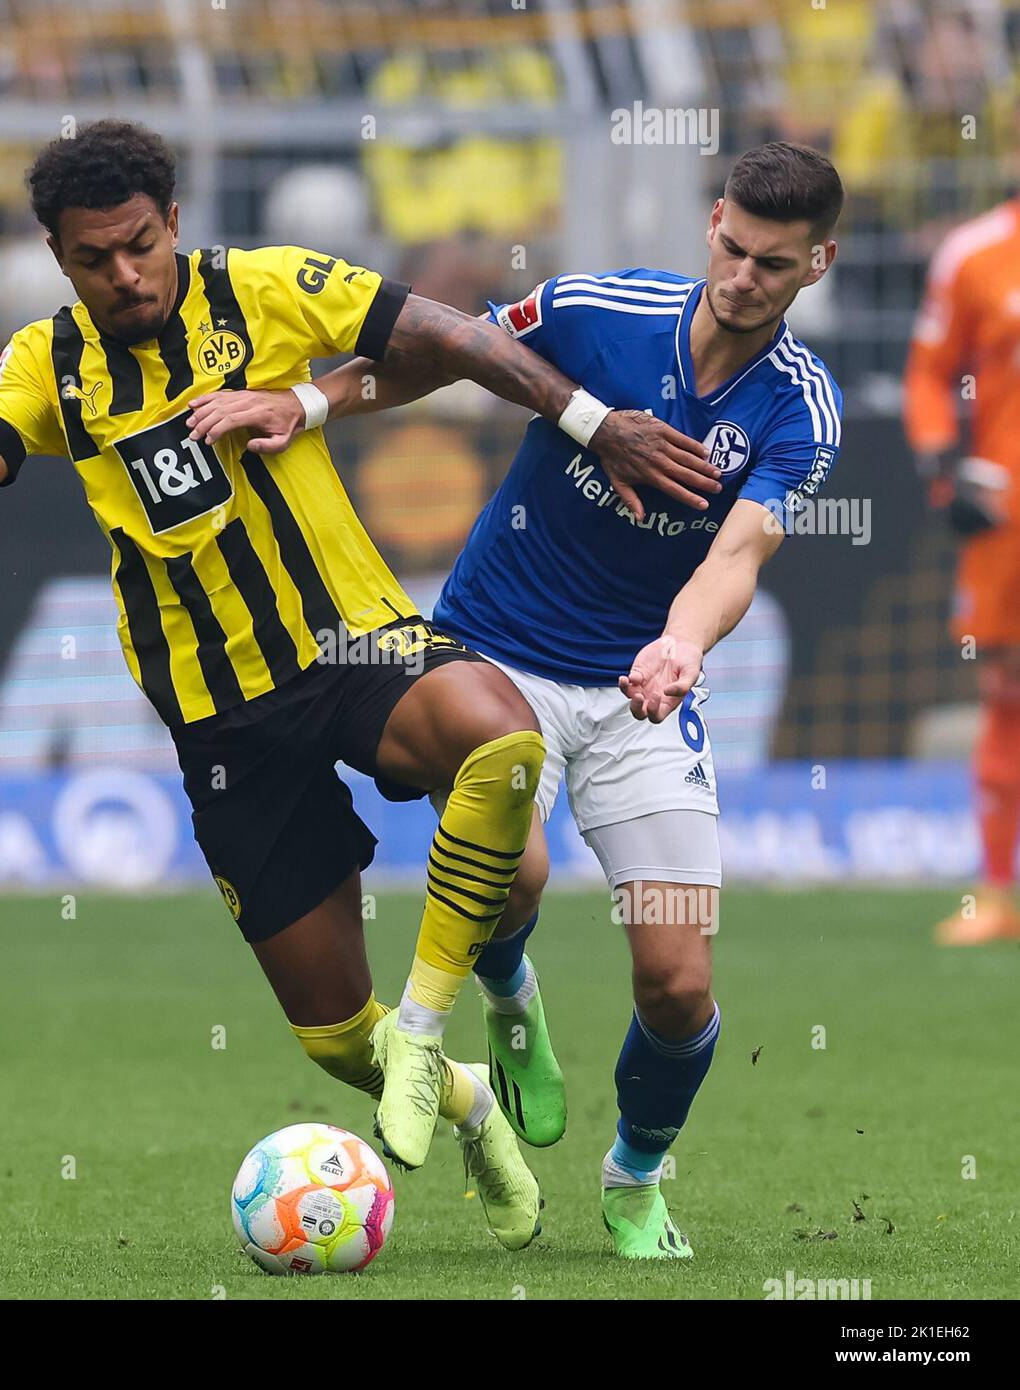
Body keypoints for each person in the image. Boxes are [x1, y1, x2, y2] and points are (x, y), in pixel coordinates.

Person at [0, 119, 714, 1250]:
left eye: (139, 244)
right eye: (93, 258)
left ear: (173, 222)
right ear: (57, 255)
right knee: (337, 1037)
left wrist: (582, 422)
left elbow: (447, 340)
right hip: (218, 710)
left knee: (497, 745)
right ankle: (469, 1102)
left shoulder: (264, 290)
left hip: (349, 644)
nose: (123, 273)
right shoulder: (48, 362)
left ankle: (451, 1022)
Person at [188, 140, 845, 1260]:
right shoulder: (600, 310)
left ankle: (634, 1177)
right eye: (732, 247)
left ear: (817, 264)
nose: (743, 276)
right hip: (497, 656)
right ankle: (509, 995)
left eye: (773, 265)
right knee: (513, 876)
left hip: (643, 686)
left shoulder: (801, 408)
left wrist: (680, 646)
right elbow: (448, 355)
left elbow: (738, 551)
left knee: (678, 981)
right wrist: (308, 400)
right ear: (712, 224)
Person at [905, 192, 1020, 946]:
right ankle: (994, 893)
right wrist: (946, 471)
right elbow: (928, 373)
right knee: (1006, 690)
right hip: (1010, 515)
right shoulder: (976, 253)